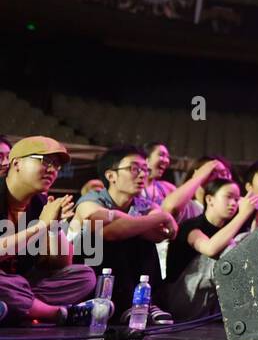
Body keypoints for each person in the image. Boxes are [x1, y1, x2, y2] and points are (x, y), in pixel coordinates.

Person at [74, 145, 179, 325]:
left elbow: (164, 233)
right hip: (88, 275)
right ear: (111, 176)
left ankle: (145, 303)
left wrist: (128, 222)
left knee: (138, 234)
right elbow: (103, 228)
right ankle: (120, 306)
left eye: (145, 169)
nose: (142, 175)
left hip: (128, 275)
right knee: (100, 234)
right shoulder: (92, 199)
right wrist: (162, 216)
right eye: (134, 169)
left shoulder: (144, 205)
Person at [0, 136, 98, 325]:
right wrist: (41, 226)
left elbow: (61, 264)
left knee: (84, 275)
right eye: (45, 161)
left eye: (57, 165)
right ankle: (58, 314)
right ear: (17, 163)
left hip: (20, 284)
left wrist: (54, 226)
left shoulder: (40, 203)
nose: (53, 170)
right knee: (9, 283)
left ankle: (15, 308)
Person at [161, 177, 256, 321]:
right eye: (228, 197)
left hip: (212, 304)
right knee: (237, 242)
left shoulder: (233, 228)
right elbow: (210, 249)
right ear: (210, 199)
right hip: (182, 300)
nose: (233, 203)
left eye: (237, 199)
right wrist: (243, 215)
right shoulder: (191, 226)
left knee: (245, 241)